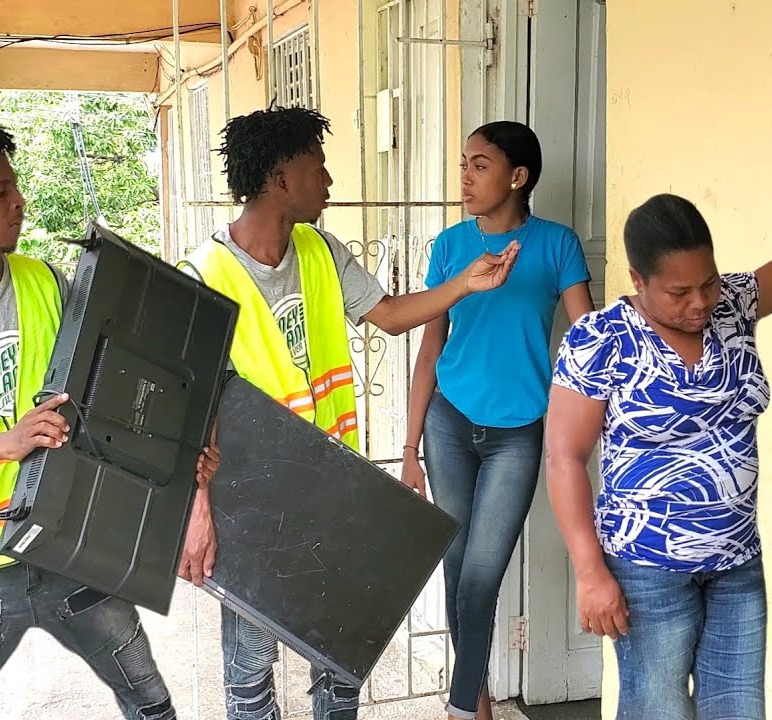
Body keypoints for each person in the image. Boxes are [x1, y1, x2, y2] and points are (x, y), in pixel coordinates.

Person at [0, 123, 216, 720]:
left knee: (151, 702)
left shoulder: (46, 280)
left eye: (15, 187)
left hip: (66, 543)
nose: (19, 201)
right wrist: (7, 443)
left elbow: (113, 379)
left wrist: (182, 459)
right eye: (2, 192)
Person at [175, 106, 520, 720]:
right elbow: (190, 413)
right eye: (318, 168)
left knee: (341, 662)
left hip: (333, 489)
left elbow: (388, 315)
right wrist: (199, 511)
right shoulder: (204, 276)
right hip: (252, 506)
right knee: (251, 671)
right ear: (281, 178)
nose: (330, 182)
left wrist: (465, 284)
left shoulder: (320, 251)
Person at [543, 119, 772, 720]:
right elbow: (563, 456)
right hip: (645, 568)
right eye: (678, 292)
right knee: (657, 710)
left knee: (739, 711)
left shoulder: (734, 305)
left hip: (737, 561)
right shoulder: (600, 339)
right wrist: (589, 570)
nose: (699, 303)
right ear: (638, 281)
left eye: (707, 283)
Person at [399, 121, 594, 720]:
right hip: (449, 423)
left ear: (518, 176)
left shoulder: (558, 245)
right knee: (457, 568)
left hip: (520, 431)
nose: (465, 175)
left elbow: (589, 341)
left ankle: (461, 706)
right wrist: (411, 448)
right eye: (463, 162)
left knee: (482, 574)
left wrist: (597, 426)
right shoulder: (452, 247)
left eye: (479, 164)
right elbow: (431, 348)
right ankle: (477, 701)